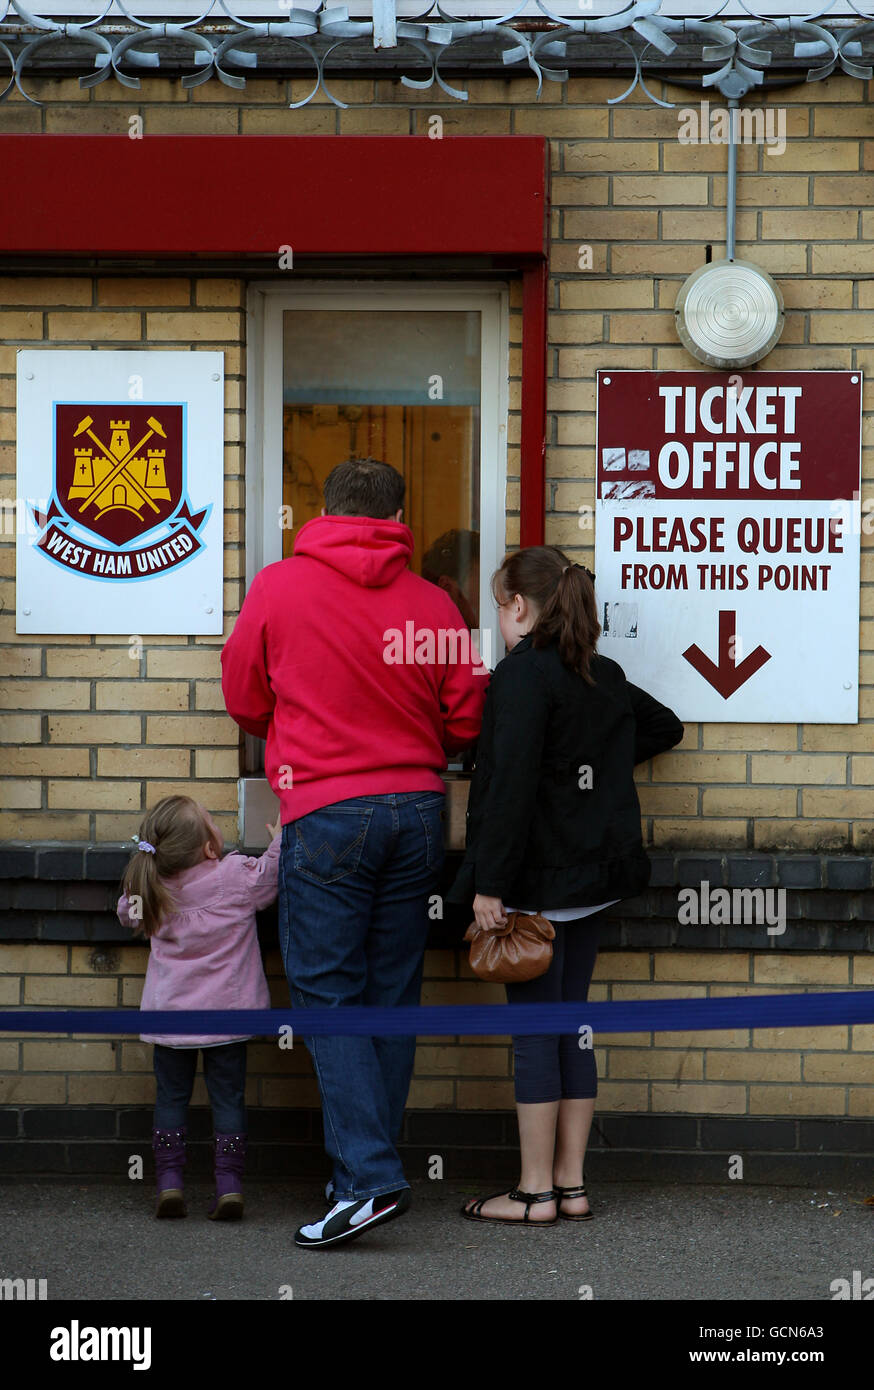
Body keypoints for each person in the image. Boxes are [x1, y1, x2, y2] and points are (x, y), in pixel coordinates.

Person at [221, 457, 487, 1249]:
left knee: (328, 996)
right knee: (388, 997)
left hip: (328, 809)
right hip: (417, 810)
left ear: (324, 509)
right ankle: (361, 1175)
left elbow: (243, 696)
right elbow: (467, 717)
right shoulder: (435, 601)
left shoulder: (278, 587)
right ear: (399, 515)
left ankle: (367, 1178)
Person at [447, 545, 683, 1226]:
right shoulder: (600, 673)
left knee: (534, 1035)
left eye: (497, 602)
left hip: (535, 887)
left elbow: (510, 789)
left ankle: (532, 1193)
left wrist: (487, 885)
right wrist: (594, 761)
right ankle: (571, 1185)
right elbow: (665, 726)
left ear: (518, 606)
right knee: (572, 1027)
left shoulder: (521, 678)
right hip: (593, 883)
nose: (497, 615)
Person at [117, 794, 280, 1221]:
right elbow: (271, 878)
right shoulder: (233, 875)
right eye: (212, 822)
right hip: (228, 1018)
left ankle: (170, 1182)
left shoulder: (151, 890)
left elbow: (126, 915)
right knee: (229, 1098)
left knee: (171, 1098)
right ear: (210, 846)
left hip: (170, 1020)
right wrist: (280, 841)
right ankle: (229, 1186)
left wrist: (140, 880)